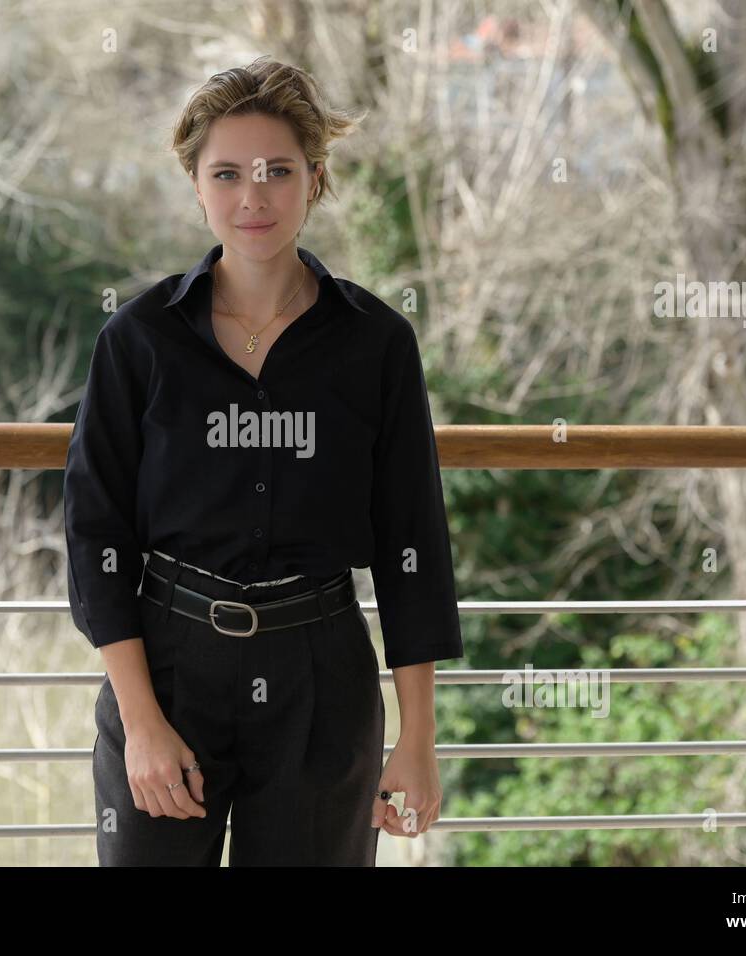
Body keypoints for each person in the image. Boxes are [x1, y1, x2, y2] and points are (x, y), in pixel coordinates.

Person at [64, 55, 464, 866]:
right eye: (228, 173)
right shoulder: (137, 341)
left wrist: (418, 737)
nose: (254, 196)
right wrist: (141, 724)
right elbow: (95, 536)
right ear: (197, 185)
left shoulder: (377, 344)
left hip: (322, 676)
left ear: (315, 180)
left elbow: (411, 545)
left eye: (278, 171)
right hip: (168, 668)